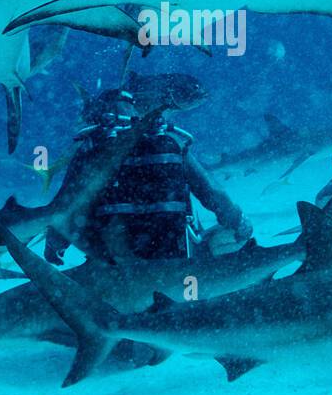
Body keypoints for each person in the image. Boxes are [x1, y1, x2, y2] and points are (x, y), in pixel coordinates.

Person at [45, 87, 252, 264]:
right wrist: (238, 221)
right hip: (170, 256)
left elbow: (66, 205)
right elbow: (212, 192)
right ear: (135, 108)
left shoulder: (91, 148)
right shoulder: (169, 140)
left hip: (113, 263)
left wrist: (55, 245)